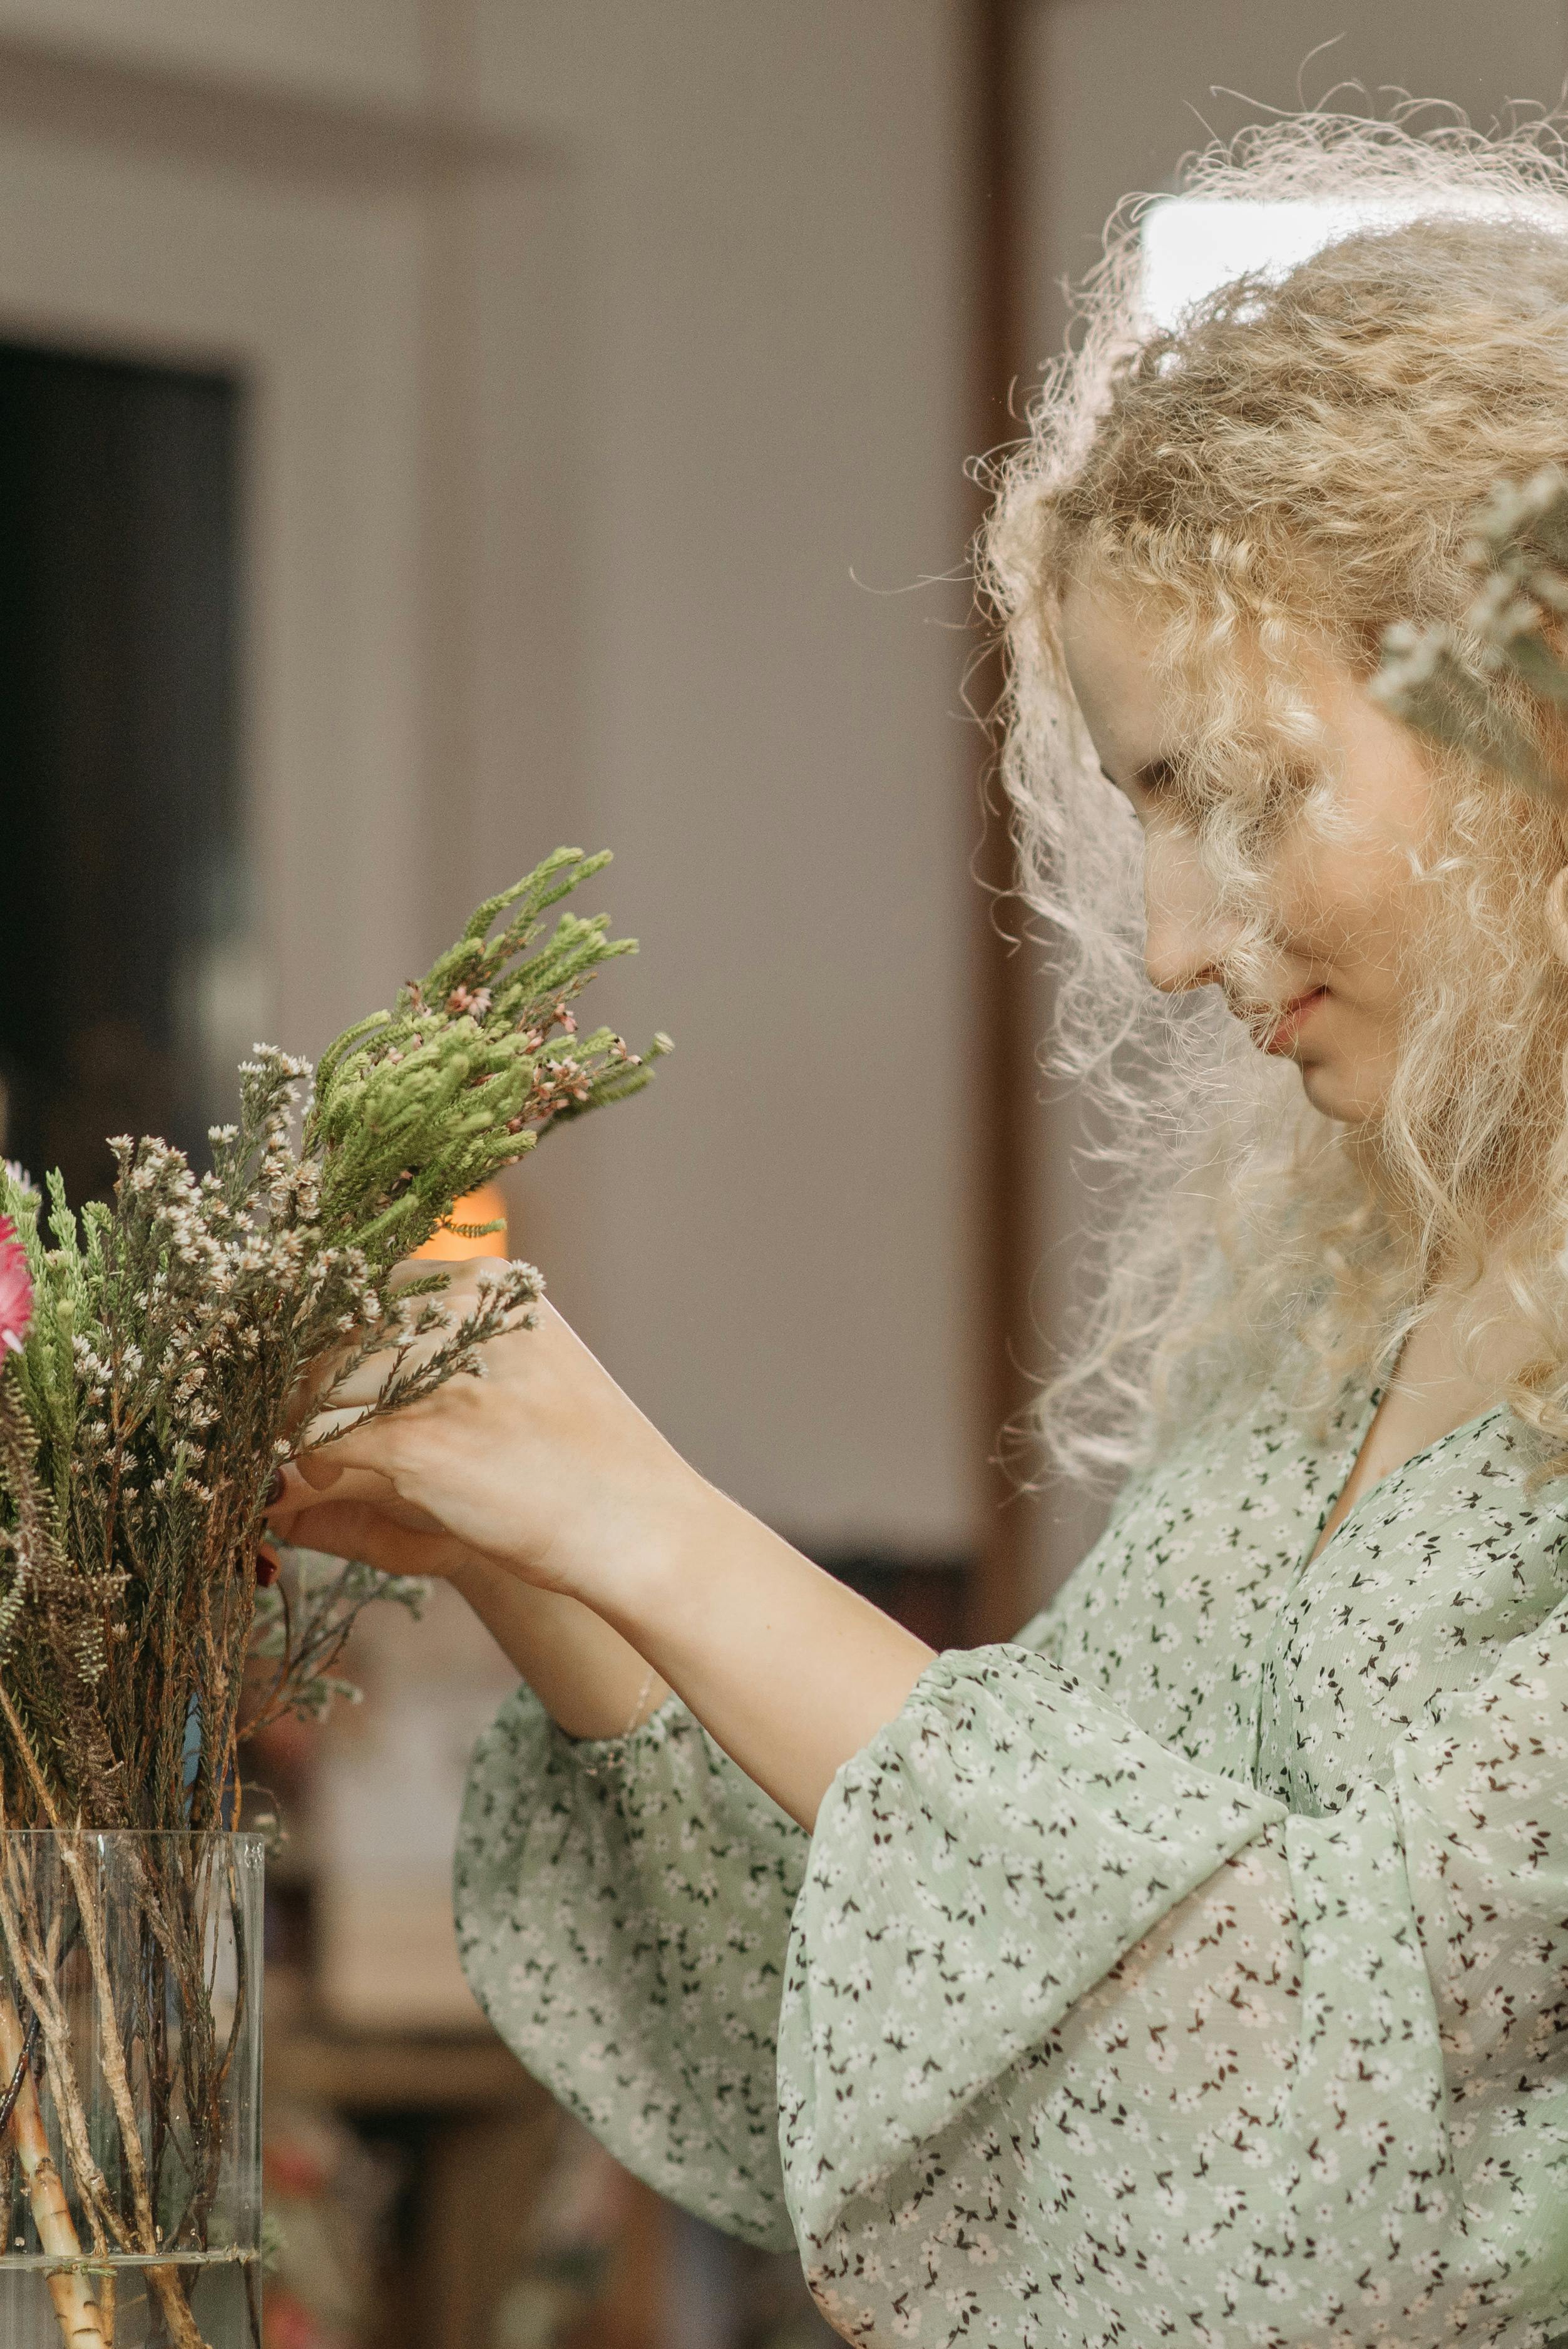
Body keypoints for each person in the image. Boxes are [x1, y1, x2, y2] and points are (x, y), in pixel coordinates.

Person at [270, 113, 1568, 2349]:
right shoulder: (1343, 1322)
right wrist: (529, 1543)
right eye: (1136, 806)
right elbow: (941, 2019)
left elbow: (1307, 2147)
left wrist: (644, 1512)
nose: (1168, 936)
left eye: (1234, 793)